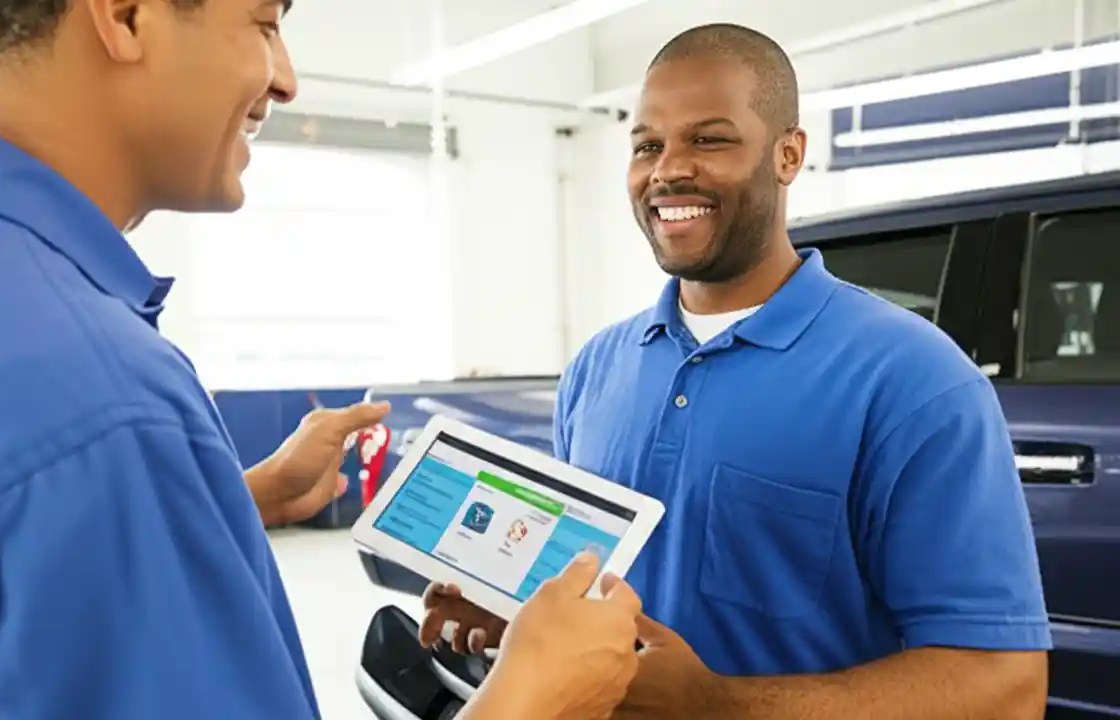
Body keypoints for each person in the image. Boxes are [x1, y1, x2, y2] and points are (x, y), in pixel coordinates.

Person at [0, 1, 643, 718]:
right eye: (265, 22)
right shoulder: (97, 400)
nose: (286, 79)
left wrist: (224, 497)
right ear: (123, 16)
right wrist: (537, 694)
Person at [421, 23, 1051, 718]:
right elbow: (595, 593)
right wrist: (524, 623)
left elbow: (1006, 688)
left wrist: (715, 704)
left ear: (788, 154)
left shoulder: (916, 382)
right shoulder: (599, 367)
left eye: (709, 139)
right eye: (647, 146)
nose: (667, 170)